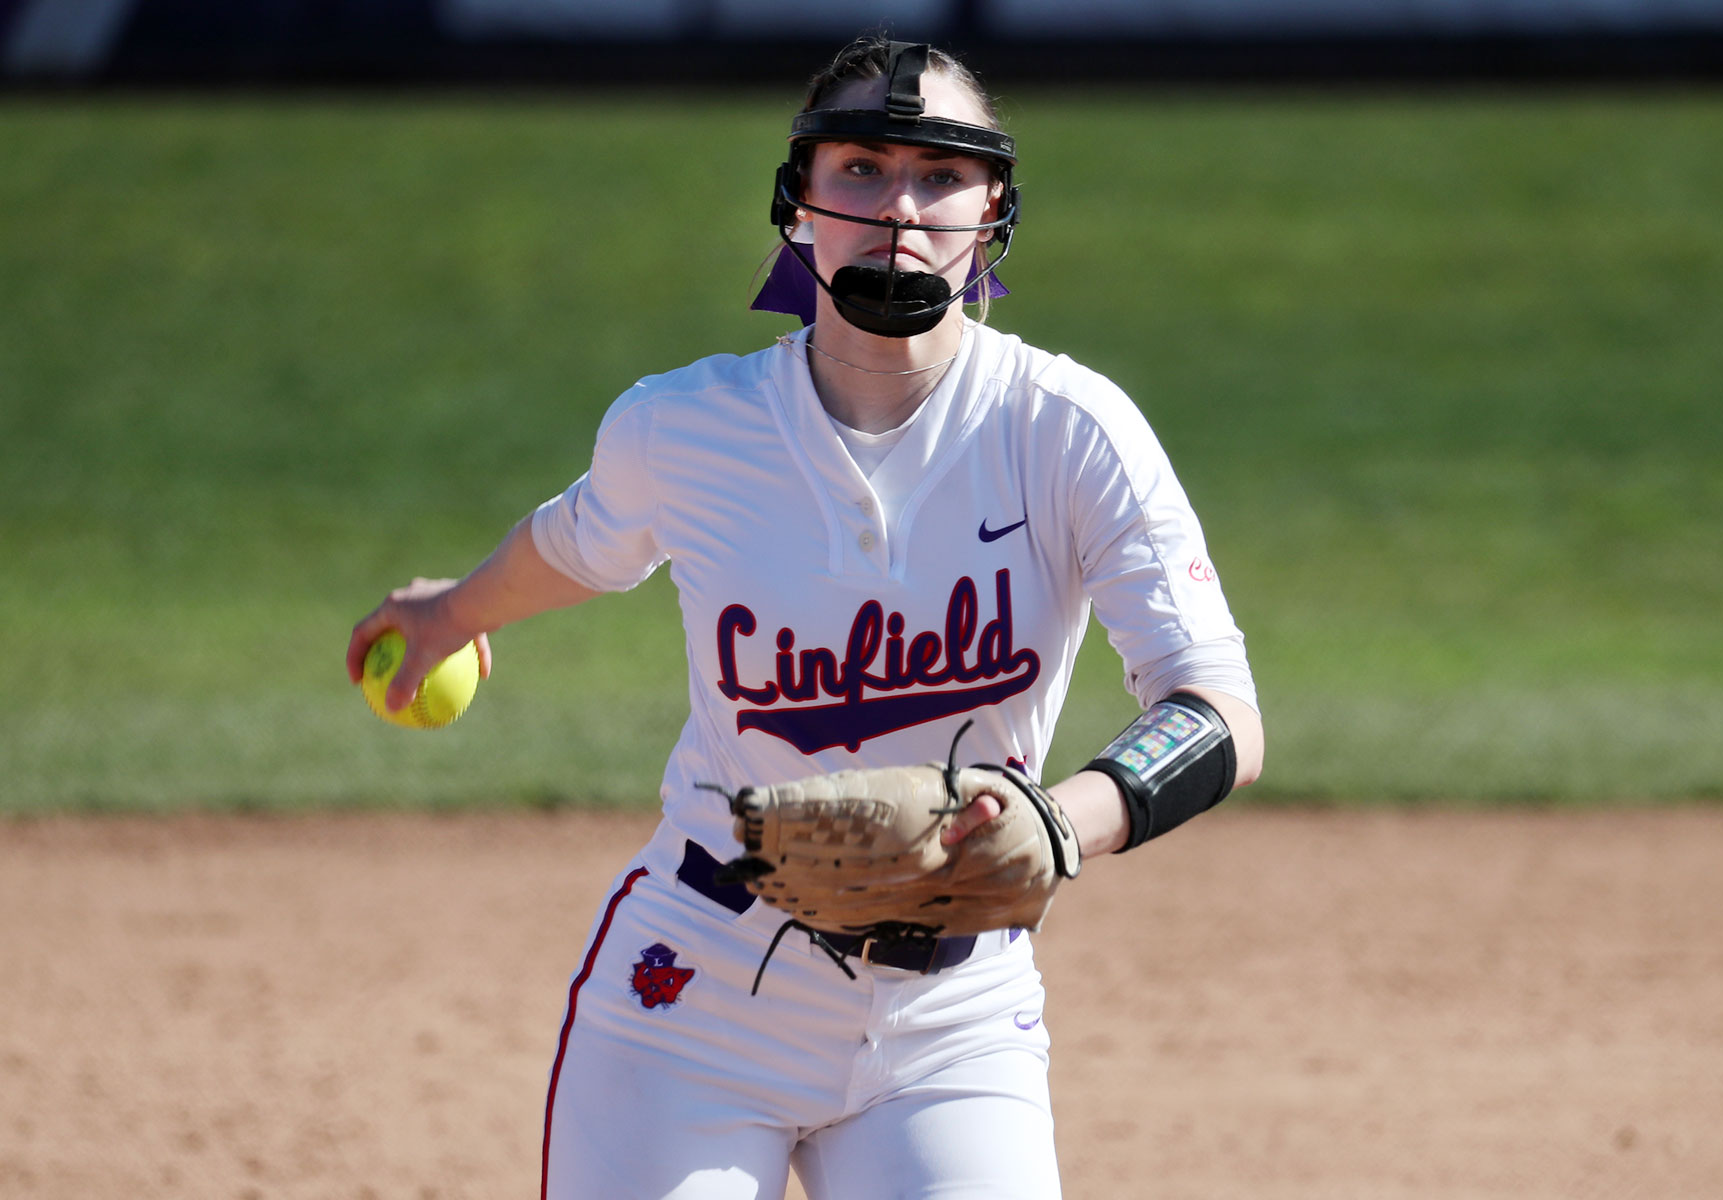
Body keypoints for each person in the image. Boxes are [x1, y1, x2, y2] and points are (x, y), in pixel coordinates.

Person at [347, 35, 1263, 1200]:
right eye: (863, 171)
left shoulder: (1070, 431)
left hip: (955, 1022)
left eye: (941, 176)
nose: (901, 211)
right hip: (693, 995)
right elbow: (579, 543)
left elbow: (1219, 708)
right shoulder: (685, 426)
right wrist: (451, 612)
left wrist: (1068, 822)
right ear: (800, 206)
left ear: (995, 211)